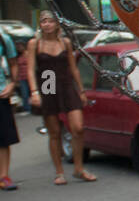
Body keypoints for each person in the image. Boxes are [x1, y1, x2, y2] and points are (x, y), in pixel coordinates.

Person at [26, 10, 95, 184]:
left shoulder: (65, 42)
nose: (47, 24)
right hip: (48, 84)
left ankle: (79, 168)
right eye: (43, 22)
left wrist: (81, 91)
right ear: (40, 25)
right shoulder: (35, 44)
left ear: (56, 24)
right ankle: (59, 172)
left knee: (78, 128)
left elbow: (74, 68)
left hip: (66, 85)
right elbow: (30, 70)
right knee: (54, 132)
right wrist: (34, 92)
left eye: (50, 21)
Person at [0, 28, 19, 190]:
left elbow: (13, 63)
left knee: (3, 139)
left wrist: (12, 84)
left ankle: (4, 176)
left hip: (1, 94)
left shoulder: (4, 39)